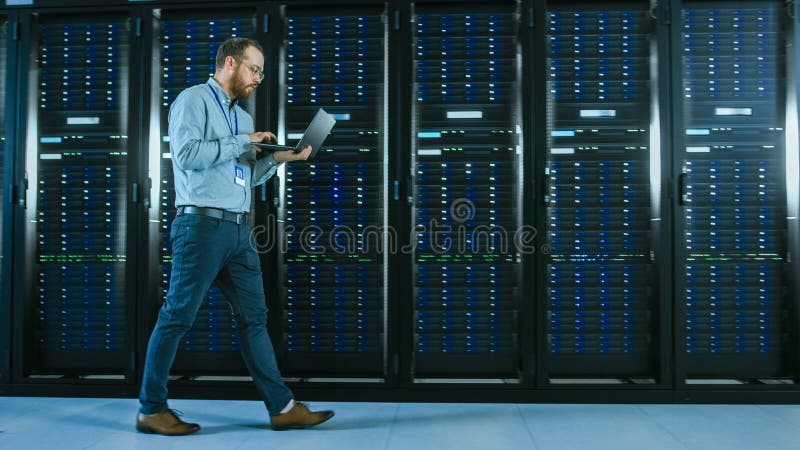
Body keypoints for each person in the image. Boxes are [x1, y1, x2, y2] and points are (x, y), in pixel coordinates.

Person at [136, 37, 334, 435]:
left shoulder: (243, 118)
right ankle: (151, 408)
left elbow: (245, 176)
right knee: (177, 316)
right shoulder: (193, 100)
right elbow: (188, 155)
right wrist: (243, 142)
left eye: (261, 72)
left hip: (239, 229)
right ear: (231, 62)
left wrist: (281, 158)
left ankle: (282, 407)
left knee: (254, 319)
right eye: (255, 69)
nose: (258, 78)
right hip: (201, 226)